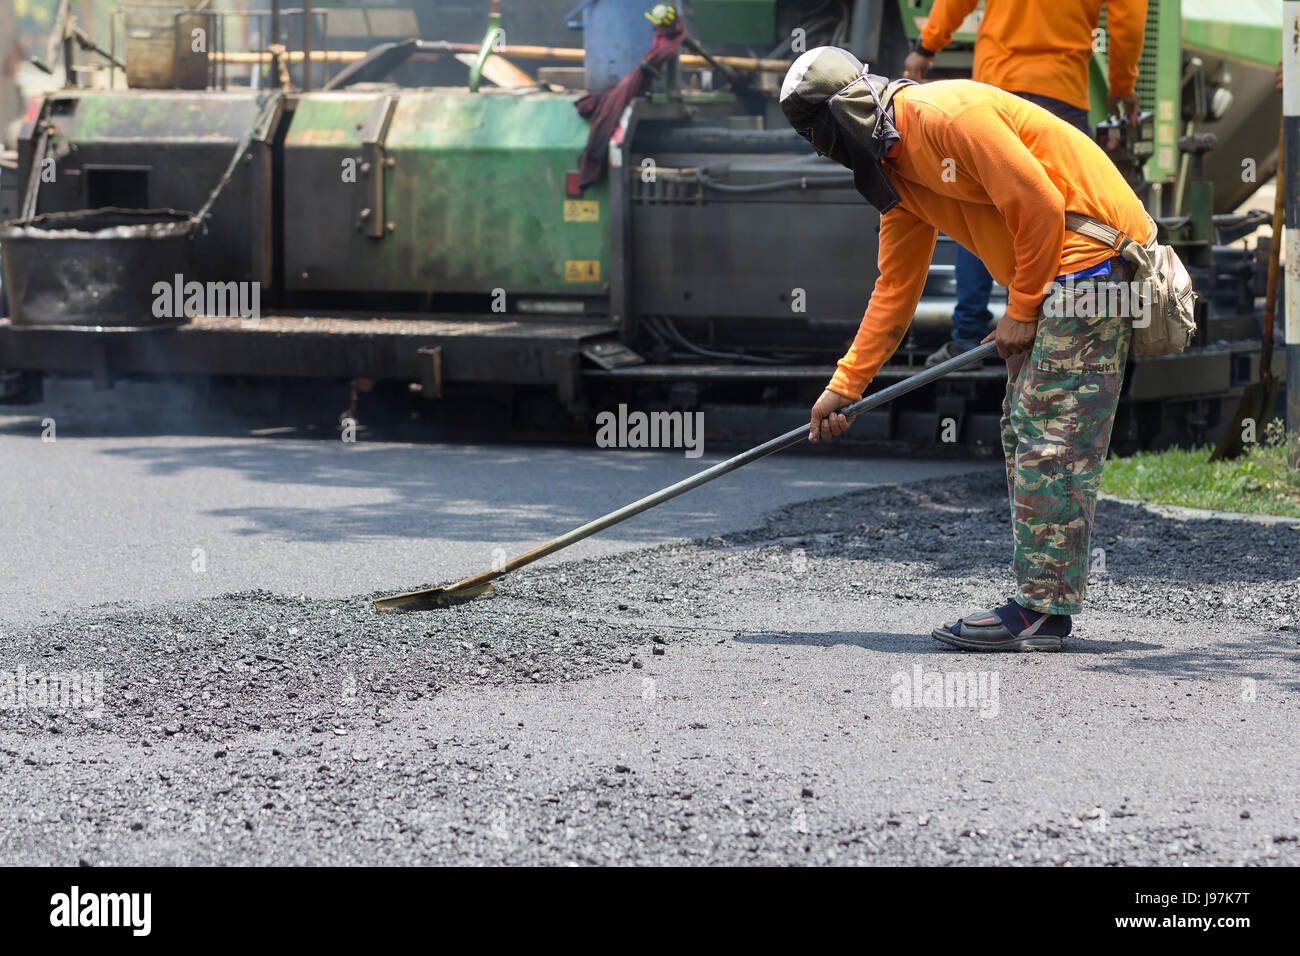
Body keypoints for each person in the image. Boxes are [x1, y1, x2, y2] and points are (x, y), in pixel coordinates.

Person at [782, 47, 1154, 651]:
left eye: (817, 132)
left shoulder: (942, 117)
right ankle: (1044, 602)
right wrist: (845, 387)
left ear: (843, 114)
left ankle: (1040, 614)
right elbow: (896, 289)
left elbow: (1039, 201)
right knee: (1026, 430)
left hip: (1094, 266)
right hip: (1062, 275)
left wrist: (1024, 308)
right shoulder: (893, 172)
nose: (819, 146)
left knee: (1048, 442)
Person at [901, 0, 1148, 366]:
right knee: (1066, 218)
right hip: (1060, 92)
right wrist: (1121, 84)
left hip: (993, 91)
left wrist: (927, 47)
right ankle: (1049, 332)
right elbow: (1128, 18)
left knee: (980, 214)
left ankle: (968, 337)